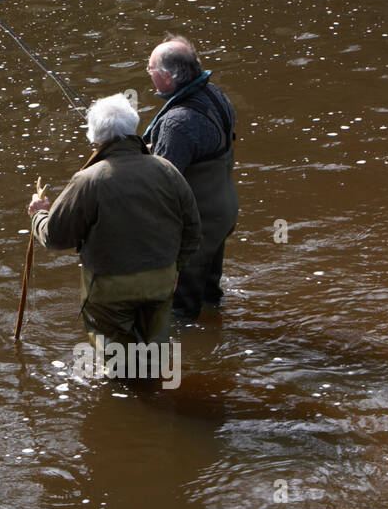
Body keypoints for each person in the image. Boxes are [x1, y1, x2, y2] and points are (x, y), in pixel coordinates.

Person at [28, 93, 201, 359]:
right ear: (133, 128)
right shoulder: (166, 169)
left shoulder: (88, 179)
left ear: (95, 138)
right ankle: (160, 391)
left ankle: (132, 397)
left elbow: (55, 237)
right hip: (162, 279)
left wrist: (38, 215)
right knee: (156, 351)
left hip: (110, 286)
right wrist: (177, 266)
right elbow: (192, 227)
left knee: (119, 359)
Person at [142, 35, 238, 321]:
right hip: (223, 212)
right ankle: (216, 325)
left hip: (196, 225)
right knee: (209, 291)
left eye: (151, 69)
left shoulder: (177, 122)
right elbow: (200, 147)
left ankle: (194, 356)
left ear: (168, 77)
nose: (148, 74)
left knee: (181, 306)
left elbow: (162, 182)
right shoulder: (214, 95)